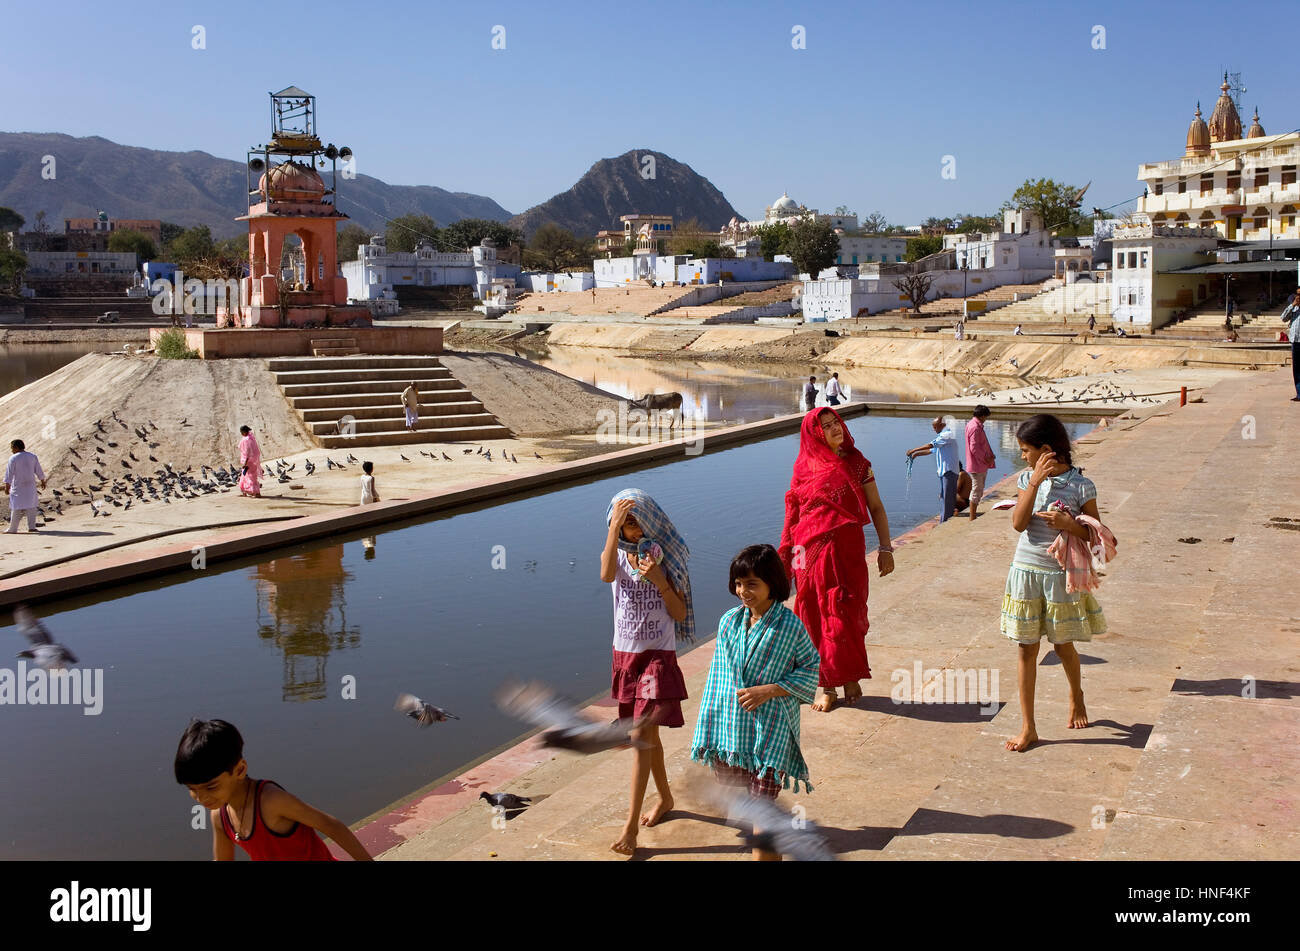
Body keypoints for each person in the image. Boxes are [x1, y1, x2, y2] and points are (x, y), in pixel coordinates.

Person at [690, 544, 820, 860]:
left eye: (752, 584)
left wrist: (771, 689)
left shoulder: (789, 626)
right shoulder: (729, 623)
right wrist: (710, 727)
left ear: (772, 583)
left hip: (771, 733)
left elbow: (811, 666)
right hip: (735, 734)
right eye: (738, 583)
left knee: (762, 816)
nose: (743, 591)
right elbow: (717, 682)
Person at [1001, 414, 1107, 752]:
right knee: (1026, 648)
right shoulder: (1026, 478)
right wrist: (1033, 483)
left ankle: (1076, 694)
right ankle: (1028, 727)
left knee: (1063, 645)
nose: (1022, 456)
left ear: (1046, 449)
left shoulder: (1081, 486)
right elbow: (1018, 524)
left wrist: (1068, 523)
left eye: (1026, 450)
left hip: (1060, 575)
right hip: (1026, 570)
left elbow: (1096, 536)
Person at [779, 408, 895, 712]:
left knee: (844, 611)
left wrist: (886, 548)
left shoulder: (857, 464)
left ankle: (850, 675)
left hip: (846, 553)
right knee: (814, 616)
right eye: (826, 427)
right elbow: (793, 516)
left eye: (836, 424)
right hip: (810, 555)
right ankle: (827, 684)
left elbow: (876, 507)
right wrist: (786, 558)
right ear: (815, 434)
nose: (835, 429)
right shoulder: (804, 469)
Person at [601, 489, 693, 856]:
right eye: (625, 520)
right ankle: (666, 798)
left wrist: (658, 579)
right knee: (647, 734)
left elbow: (680, 612)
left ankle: (630, 829)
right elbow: (606, 574)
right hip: (626, 654)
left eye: (638, 519)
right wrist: (613, 532)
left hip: (658, 655)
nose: (632, 527)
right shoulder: (617, 555)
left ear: (652, 520)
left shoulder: (664, 555)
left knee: (640, 736)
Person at [174, 719, 372, 861]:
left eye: (211, 786)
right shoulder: (220, 816)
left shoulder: (271, 801)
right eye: (192, 789)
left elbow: (330, 825)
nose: (201, 797)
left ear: (240, 769)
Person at [907, 417, 961, 522]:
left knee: (947, 498)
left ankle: (945, 522)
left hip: (949, 471)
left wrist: (913, 450)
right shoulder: (942, 436)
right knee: (943, 497)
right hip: (943, 472)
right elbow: (932, 450)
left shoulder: (947, 435)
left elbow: (931, 444)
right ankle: (944, 519)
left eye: (935, 426)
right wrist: (916, 454)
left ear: (942, 425)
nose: (934, 429)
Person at [3, 439, 46, 533]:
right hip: (30, 486)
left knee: (16, 507)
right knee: (31, 507)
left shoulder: (13, 458)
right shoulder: (32, 456)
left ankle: (13, 528)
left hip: (18, 487)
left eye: (12, 448)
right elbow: (38, 469)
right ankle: (32, 527)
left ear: (16, 447)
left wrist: (7, 486)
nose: (11, 450)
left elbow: (9, 474)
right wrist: (42, 480)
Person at [964, 405, 997, 519]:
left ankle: (973, 515)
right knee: (977, 490)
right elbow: (974, 448)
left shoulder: (972, 425)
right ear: (982, 416)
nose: (986, 419)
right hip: (977, 465)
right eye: (986, 417)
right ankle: (972, 516)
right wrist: (985, 458)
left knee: (978, 489)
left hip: (978, 464)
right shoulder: (975, 427)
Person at [1281, 289, 1300, 401]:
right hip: (1295, 341)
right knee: (1297, 369)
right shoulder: (1293, 309)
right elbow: (1283, 318)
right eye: (1297, 294)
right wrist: (1292, 305)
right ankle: (1299, 393)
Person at [237, 426, 261, 498]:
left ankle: (254, 492)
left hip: (248, 462)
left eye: (241, 432)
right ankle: (253, 492)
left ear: (244, 432)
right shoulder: (251, 438)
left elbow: (248, 452)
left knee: (248, 477)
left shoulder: (246, 440)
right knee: (250, 477)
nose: (241, 433)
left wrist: (245, 463)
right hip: (253, 461)